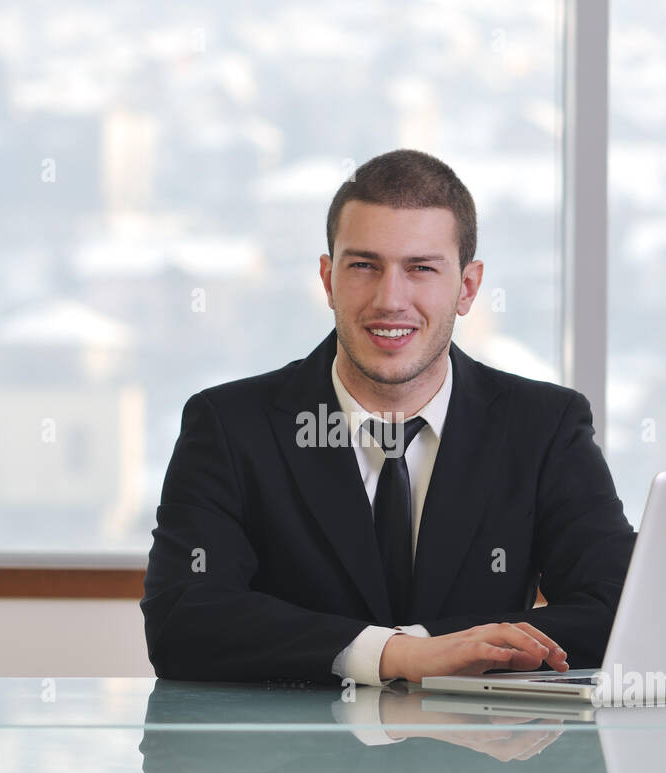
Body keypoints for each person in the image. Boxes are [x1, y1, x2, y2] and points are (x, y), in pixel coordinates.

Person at [142, 148, 636, 685]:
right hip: (294, 761)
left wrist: (422, 646)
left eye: (421, 268)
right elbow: (182, 619)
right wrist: (393, 656)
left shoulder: (544, 427)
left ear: (467, 287)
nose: (389, 299)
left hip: (475, 761)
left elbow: (622, 612)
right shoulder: (228, 426)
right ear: (328, 280)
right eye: (363, 266)